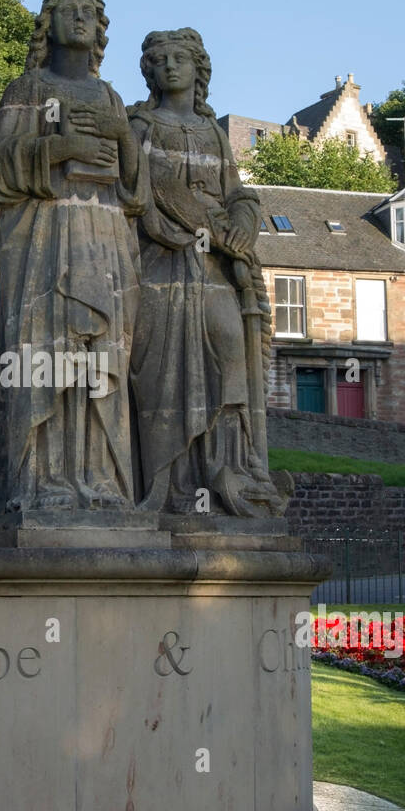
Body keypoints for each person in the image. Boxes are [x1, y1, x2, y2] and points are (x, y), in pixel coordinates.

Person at [0, 0, 147, 513]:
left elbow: (137, 191)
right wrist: (59, 147)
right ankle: (44, 483)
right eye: (69, 11)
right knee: (47, 355)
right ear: (48, 24)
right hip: (47, 236)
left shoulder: (112, 96)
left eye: (90, 14)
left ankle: (99, 481)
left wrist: (120, 136)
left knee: (99, 361)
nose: (82, 20)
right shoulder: (27, 89)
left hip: (104, 235)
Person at [128, 28, 284, 517]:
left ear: (200, 70)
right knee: (163, 375)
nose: (171, 66)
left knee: (230, 357)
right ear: (149, 71)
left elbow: (240, 192)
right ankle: (168, 487)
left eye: (181, 58)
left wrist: (242, 220)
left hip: (216, 268)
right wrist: (192, 217)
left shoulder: (215, 132)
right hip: (161, 264)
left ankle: (230, 474)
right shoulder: (139, 126)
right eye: (161, 59)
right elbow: (135, 194)